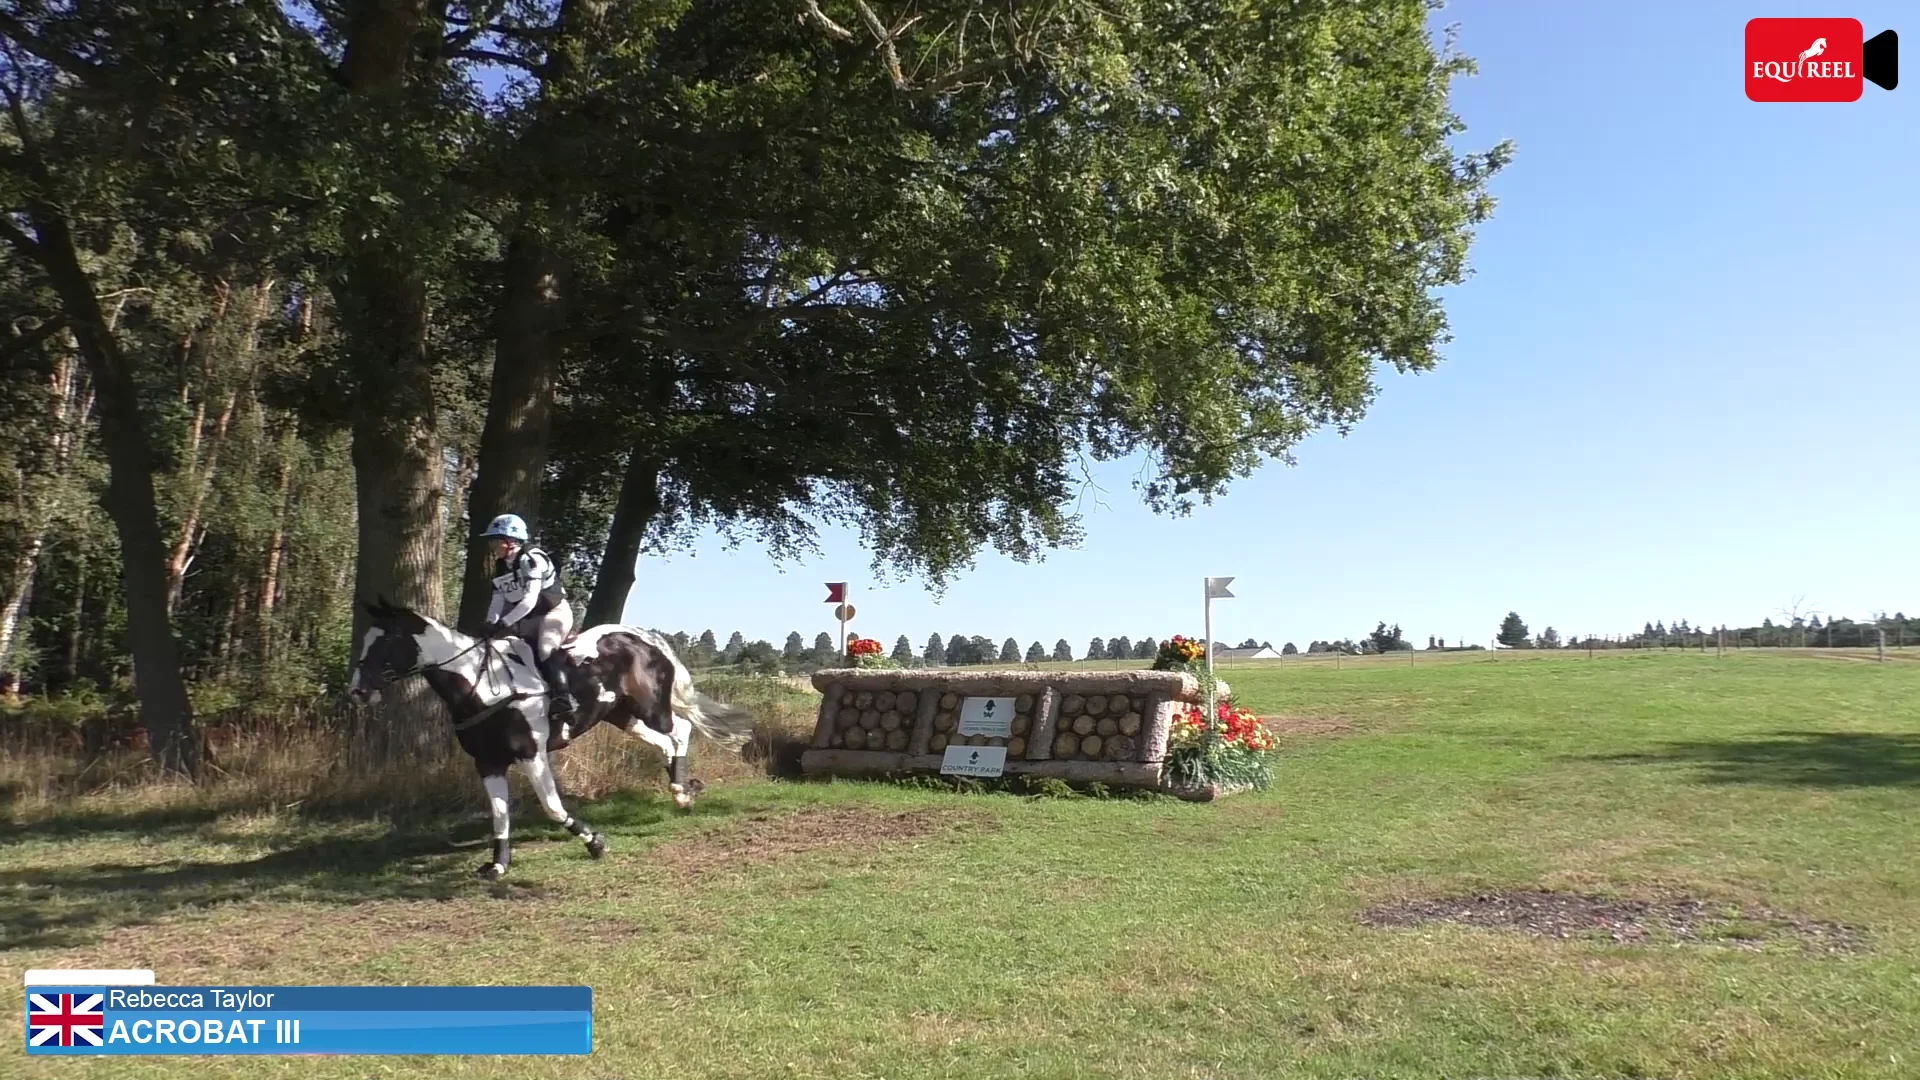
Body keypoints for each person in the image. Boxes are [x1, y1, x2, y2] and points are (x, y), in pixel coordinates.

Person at [480, 513, 579, 741]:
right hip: (526, 617)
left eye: (495, 540)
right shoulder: (501, 566)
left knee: (545, 648)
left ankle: (564, 700)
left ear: (510, 540)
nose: (492, 545)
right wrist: (490, 622)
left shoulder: (532, 559)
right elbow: (499, 600)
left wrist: (504, 622)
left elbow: (529, 600)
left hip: (553, 612)